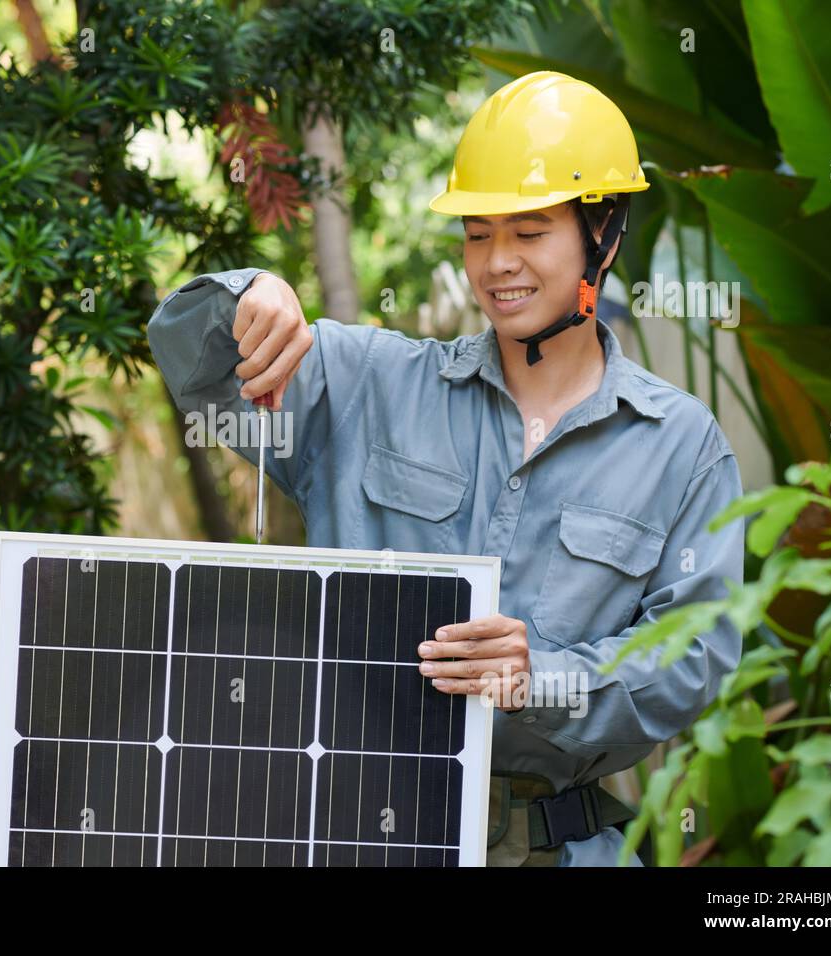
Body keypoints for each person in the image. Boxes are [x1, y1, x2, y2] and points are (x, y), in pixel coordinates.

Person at [146, 71, 744, 866]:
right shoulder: (365, 384)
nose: (498, 263)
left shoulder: (683, 445)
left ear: (602, 232)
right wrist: (248, 298)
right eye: (477, 232)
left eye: (529, 232)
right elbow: (196, 366)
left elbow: (693, 658)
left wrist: (548, 679)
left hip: (554, 847)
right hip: (355, 832)